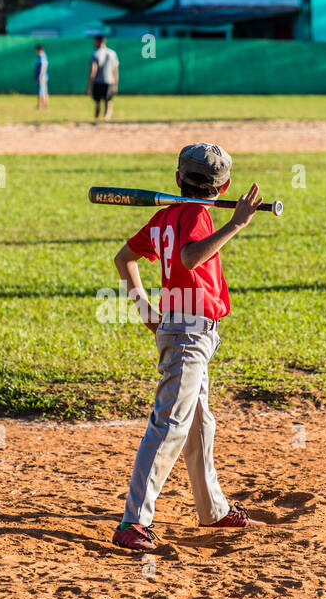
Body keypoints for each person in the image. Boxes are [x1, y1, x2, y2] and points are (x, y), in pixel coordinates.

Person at [110, 142, 264, 551]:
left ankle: (212, 508)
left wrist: (141, 303)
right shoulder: (196, 214)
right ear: (224, 185)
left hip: (188, 329)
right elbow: (191, 256)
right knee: (170, 425)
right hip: (188, 334)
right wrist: (235, 224)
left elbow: (124, 257)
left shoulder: (166, 215)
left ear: (177, 179)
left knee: (198, 424)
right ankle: (133, 522)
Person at [86, 34, 118, 120]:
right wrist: (116, 84)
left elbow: (93, 70)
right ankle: (107, 116)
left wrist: (88, 85)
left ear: (97, 41)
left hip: (98, 80)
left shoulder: (95, 53)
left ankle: (98, 115)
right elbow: (115, 70)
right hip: (110, 80)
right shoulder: (112, 53)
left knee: (97, 100)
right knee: (108, 100)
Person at [34, 43, 49, 110]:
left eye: (36, 50)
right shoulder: (41, 56)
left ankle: (41, 106)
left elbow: (44, 65)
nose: (35, 52)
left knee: (41, 91)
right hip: (42, 76)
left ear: (39, 50)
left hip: (42, 76)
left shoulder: (42, 56)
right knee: (43, 91)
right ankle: (43, 105)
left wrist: (40, 76)